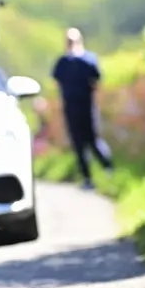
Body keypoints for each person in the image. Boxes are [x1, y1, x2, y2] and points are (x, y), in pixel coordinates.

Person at [51, 27, 114, 189]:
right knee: (78, 144)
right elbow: (57, 81)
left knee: (93, 140)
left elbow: (96, 78)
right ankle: (87, 179)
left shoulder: (88, 59)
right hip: (71, 108)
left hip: (87, 107)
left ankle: (109, 169)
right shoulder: (63, 62)